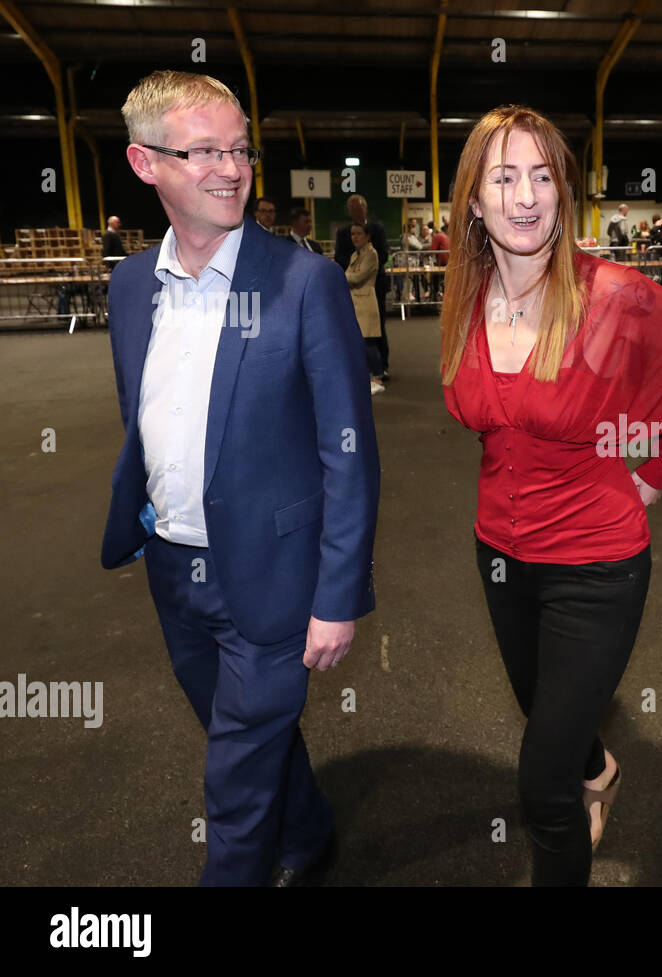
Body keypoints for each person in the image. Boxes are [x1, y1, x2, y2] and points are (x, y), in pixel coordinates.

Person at [440, 105, 662, 886]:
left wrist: (653, 468)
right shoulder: (467, 302)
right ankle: (601, 768)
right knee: (554, 723)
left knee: (542, 783)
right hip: (500, 556)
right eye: (504, 177)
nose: (527, 196)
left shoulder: (609, 298)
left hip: (595, 564)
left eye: (544, 175)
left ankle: (577, 797)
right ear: (473, 200)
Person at [102, 70, 380, 886]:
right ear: (145, 164)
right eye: (204, 152)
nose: (232, 169)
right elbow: (146, 418)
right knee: (248, 740)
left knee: (232, 785)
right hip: (173, 570)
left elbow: (349, 452)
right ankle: (310, 830)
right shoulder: (127, 289)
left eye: (240, 150)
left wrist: (337, 595)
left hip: (277, 579)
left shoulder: (304, 284)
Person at [334, 194, 390, 381]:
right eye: (352, 209)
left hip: (373, 290)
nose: (354, 237)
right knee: (359, 336)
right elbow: (340, 259)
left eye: (358, 208)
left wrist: (357, 269)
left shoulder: (376, 234)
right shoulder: (343, 234)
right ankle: (367, 370)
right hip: (352, 294)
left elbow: (382, 255)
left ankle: (381, 369)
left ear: (365, 209)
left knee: (374, 333)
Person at [345, 222, 385, 394]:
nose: (355, 237)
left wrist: (340, 273)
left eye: (359, 234)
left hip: (366, 302)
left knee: (369, 343)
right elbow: (350, 275)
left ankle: (378, 376)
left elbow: (356, 278)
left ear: (367, 236)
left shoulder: (371, 254)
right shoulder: (355, 254)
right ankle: (369, 375)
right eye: (353, 234)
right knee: (360, 343)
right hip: (354, 303)